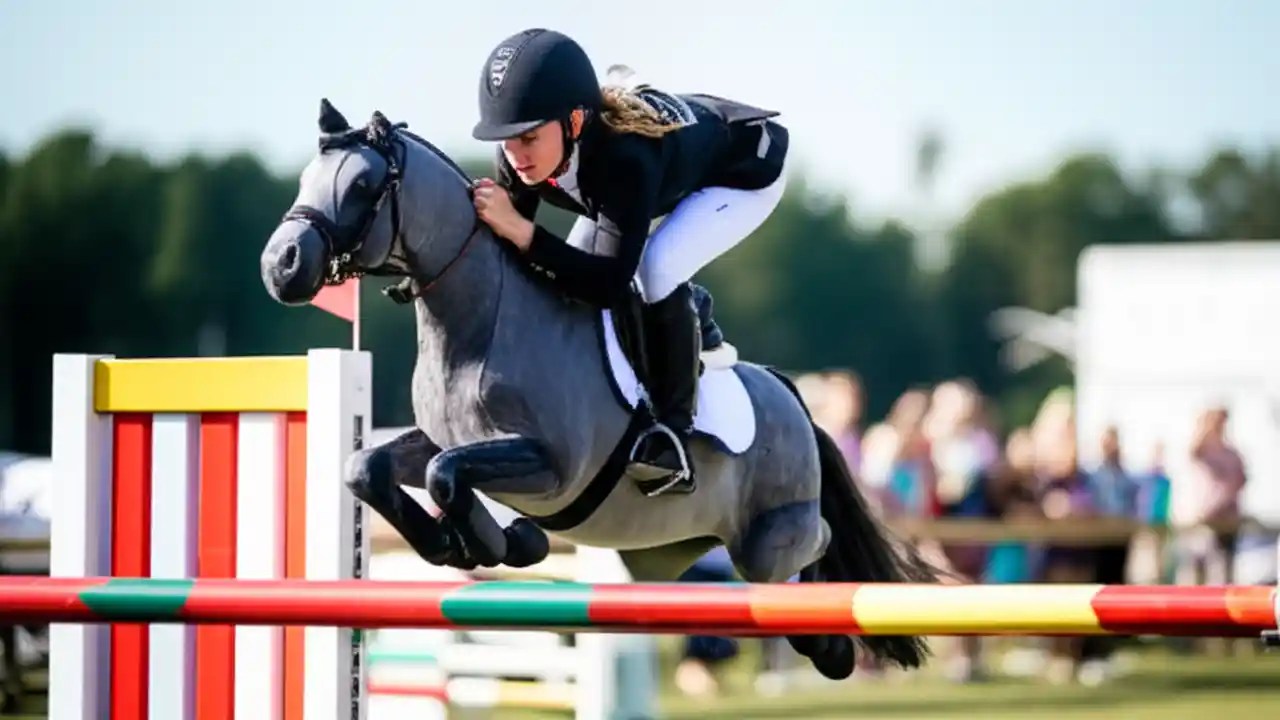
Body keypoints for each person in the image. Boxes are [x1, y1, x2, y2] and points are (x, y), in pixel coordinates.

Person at [468, 28, 790, 495]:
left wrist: (523, 231)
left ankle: (674, 437)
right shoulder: (525, 149)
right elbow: (512, 259)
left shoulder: (623, 161)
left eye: (530, 139)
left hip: (744, 173)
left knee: (655, 269)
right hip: (668, 171)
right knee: (571, 266)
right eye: (507, 140)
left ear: (575, 122)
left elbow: (607, 283)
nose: (516, 157)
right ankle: (684, 317)